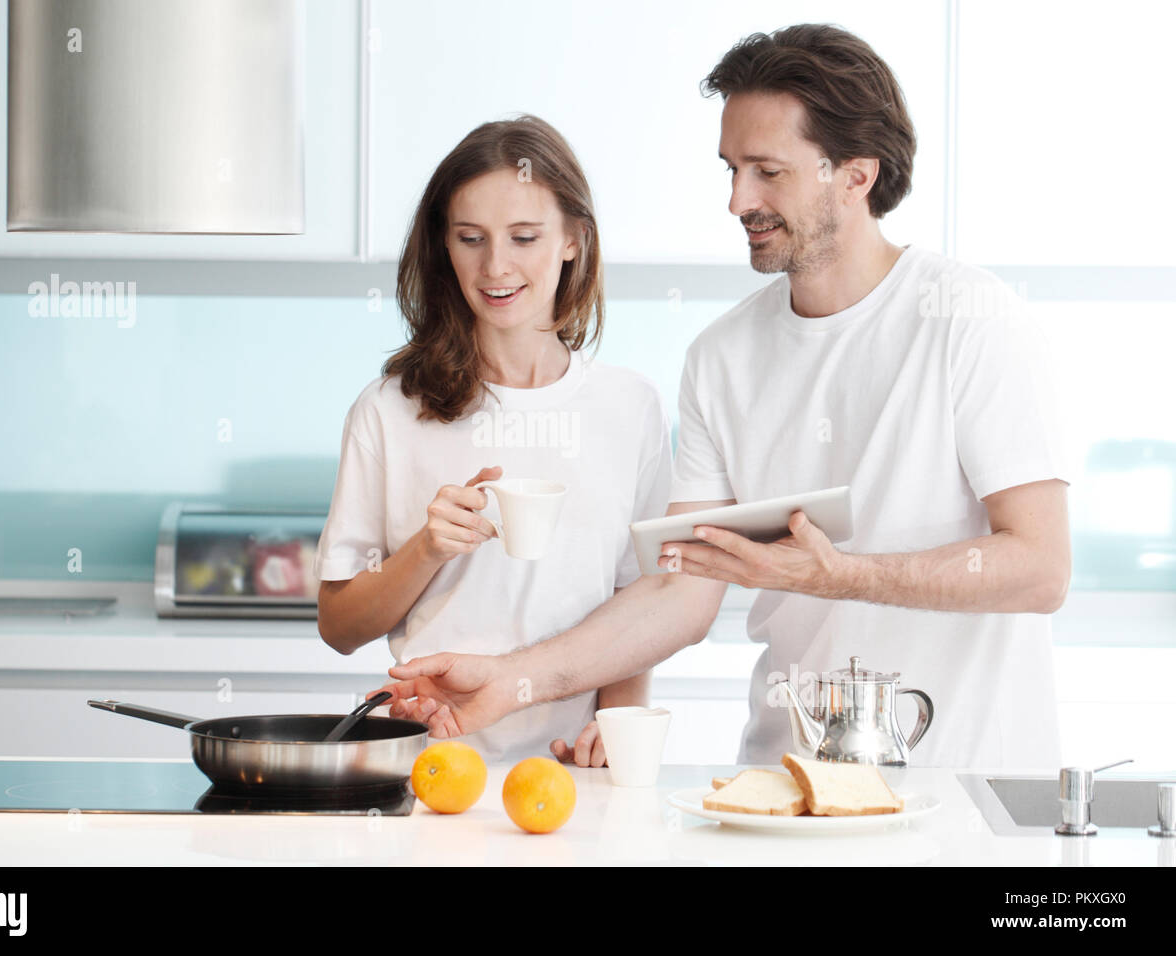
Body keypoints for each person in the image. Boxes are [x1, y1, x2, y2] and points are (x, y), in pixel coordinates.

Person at [376, 24, 1072, 770]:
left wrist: (842, 577)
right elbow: (682, 586)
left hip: (963, 789)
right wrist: (515, 682)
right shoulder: (722, 357)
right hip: (789, 788)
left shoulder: (968, 319)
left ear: (857, 175)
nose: (738, 199)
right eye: (731, 168)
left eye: (767, 171)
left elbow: (1040, 567)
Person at [313, 115, 673, 766]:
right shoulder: (389, 412)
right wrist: (427, 549)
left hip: (571, 775)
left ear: (573, 240)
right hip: (433, 765)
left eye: (524, 237)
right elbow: (339, 627)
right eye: (470, 238)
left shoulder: (631, 408)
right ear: (443, 249)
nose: (496, 266)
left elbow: (640, 601)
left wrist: (616, 723)